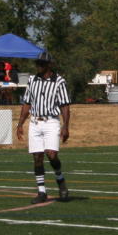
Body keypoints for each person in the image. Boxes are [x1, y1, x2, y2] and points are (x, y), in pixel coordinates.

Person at [15, 51, 71, 203]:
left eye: (41, 64)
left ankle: (60, 181)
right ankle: (41, 191)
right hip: (35, 122)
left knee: (51, 154)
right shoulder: (32, 80)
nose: (38, 66)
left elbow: (65, 105)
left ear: (48, 65)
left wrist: (65, 126)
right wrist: (20, 124)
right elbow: (27, 103)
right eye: (37, 63)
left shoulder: (59, 81)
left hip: (51, 121)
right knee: (37, 156)